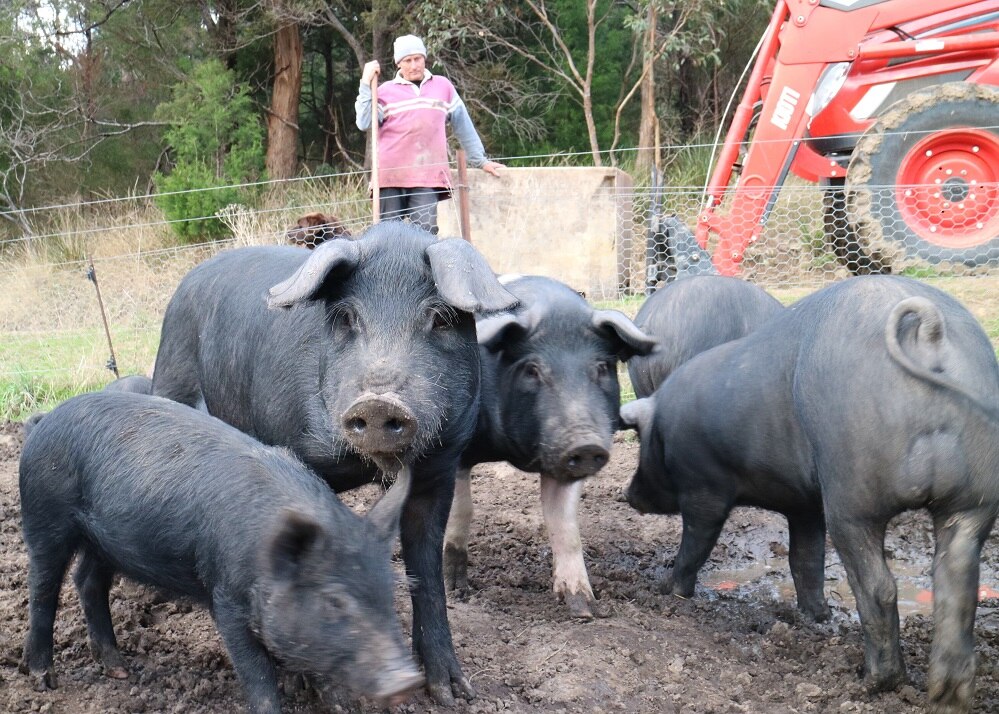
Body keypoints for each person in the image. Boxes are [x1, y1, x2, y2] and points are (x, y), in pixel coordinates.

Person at [355, 34, 504, 234]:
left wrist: (480, 161)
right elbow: (364, 122)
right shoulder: (384, 91)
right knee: (388, 236)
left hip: (427, 177)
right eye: (408, 60)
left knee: (425, 233)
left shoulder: (443, 87)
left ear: (424, 58)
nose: (414, 65)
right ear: (399, 64)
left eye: (418, 59)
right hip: (389, 177)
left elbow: (463, 125)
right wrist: (365, 83)